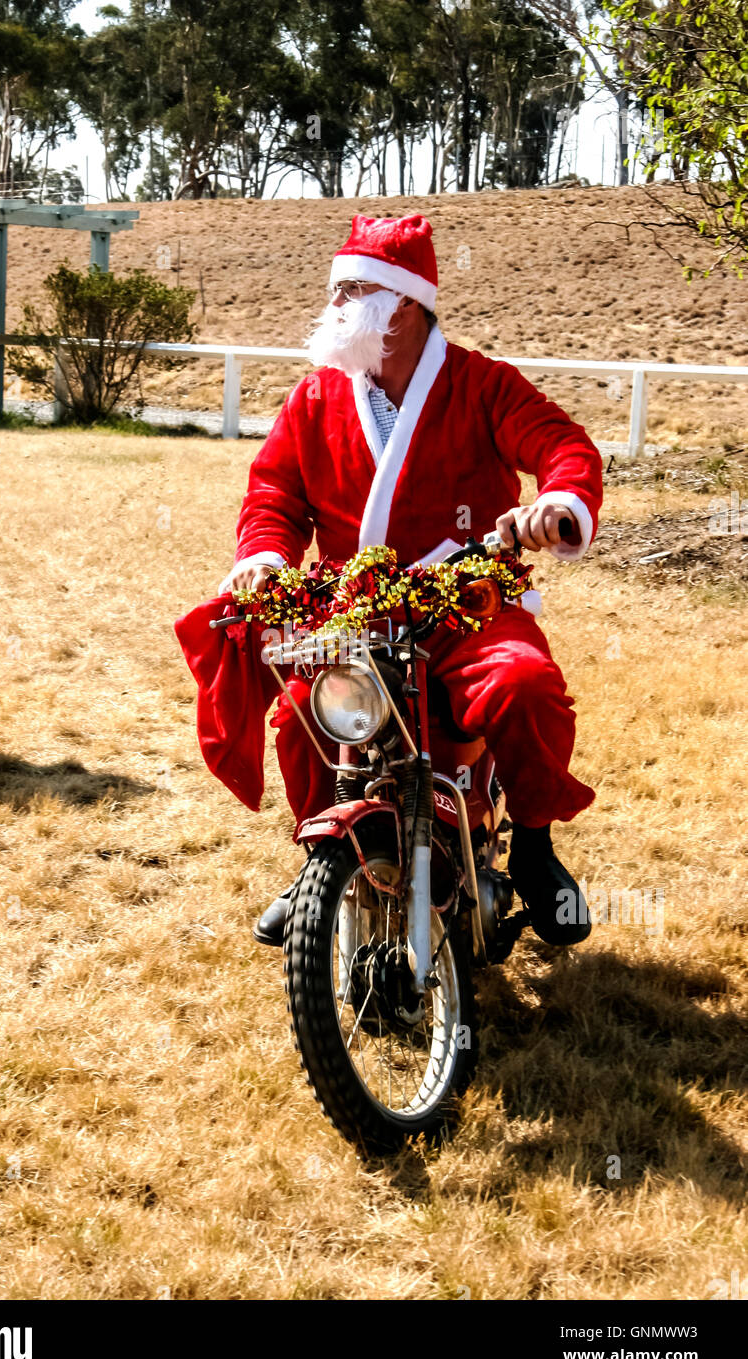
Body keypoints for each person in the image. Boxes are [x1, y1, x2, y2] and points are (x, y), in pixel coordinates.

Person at [213, 213, 603, 948]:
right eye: (336, 290)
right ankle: (321, 854)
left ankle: (536, 845)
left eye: (352, 291)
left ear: (403, 305)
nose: (333, 307)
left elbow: (561, 444)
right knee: (304, 712)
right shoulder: (314, 399)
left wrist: (558, 500)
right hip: (353, 615)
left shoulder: (481, 384)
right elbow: (273, 497)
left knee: (523, 685)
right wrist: (263, 558)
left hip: (467, 604)